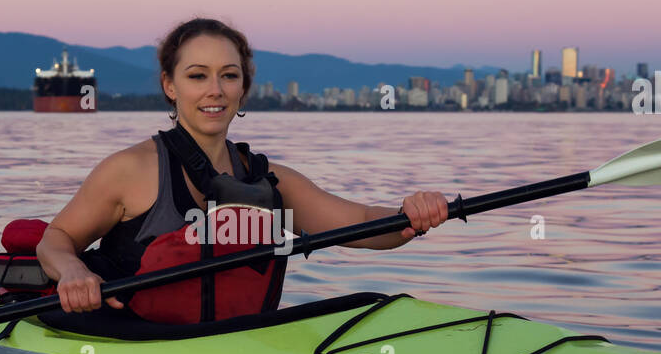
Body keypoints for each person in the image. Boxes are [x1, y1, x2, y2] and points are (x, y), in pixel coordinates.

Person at [35, 17, 451, 317]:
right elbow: (56, 238)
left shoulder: (270, 181)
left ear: (243, 89)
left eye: (228, 76)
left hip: (234, 345)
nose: (215, 90)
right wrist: (72, 271)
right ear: (169, 86)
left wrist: (410, 216)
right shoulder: (130, 170)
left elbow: (361, 224)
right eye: (197, 76)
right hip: (130, 340)